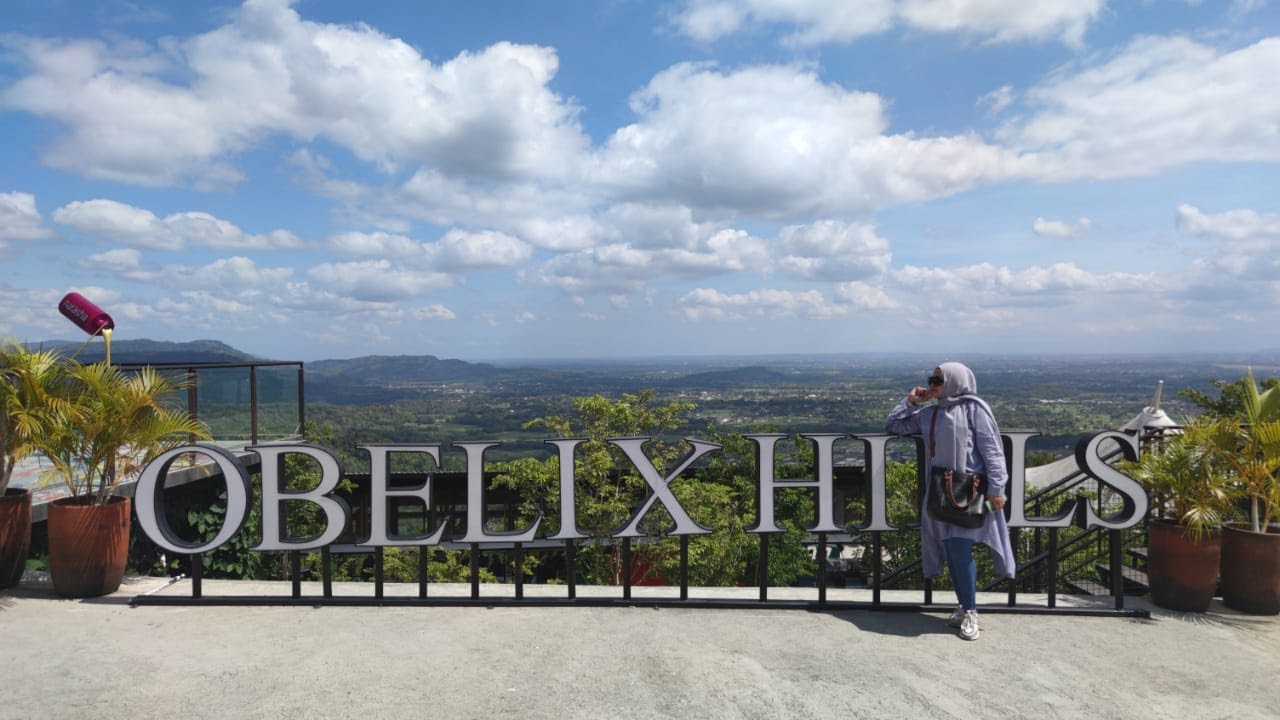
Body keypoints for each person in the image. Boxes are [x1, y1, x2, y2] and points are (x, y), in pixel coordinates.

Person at [885, 361, 1015, 641]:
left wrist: (998, 489)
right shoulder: (929, 414)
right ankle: (962, 606)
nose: (932, 385)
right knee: (950, 549)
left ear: (956, 381)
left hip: (973, 490)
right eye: (930, 380)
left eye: (938, 380)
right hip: (941, 490)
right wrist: (910, 402)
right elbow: (893, 425)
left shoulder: (975, 410)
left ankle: (970, 612)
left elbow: (992, 451)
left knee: (958, 547)